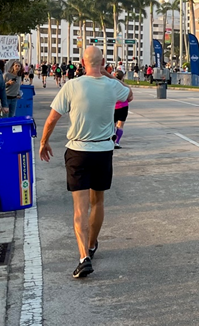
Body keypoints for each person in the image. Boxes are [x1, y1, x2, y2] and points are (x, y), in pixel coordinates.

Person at [39, 47, 131, 278]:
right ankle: (91, 243)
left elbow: (52, 118)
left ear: (81, 62)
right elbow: (129, 95)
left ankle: (83, 256)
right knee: (97, 201)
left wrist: (44, 142)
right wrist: (108, 74)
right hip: (103, 150)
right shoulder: (112, 85)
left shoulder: (72, 85)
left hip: (78, 150)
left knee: (79, 207)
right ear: (103, 63)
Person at [112, 71, 131, 150]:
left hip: (113, 107)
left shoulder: (111, 85)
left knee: (112, 125)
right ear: (122, 77)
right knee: (120, 125)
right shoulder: (125, 86)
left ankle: (111, 141)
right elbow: (130, 97)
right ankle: (117, 142)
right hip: (123, 106)